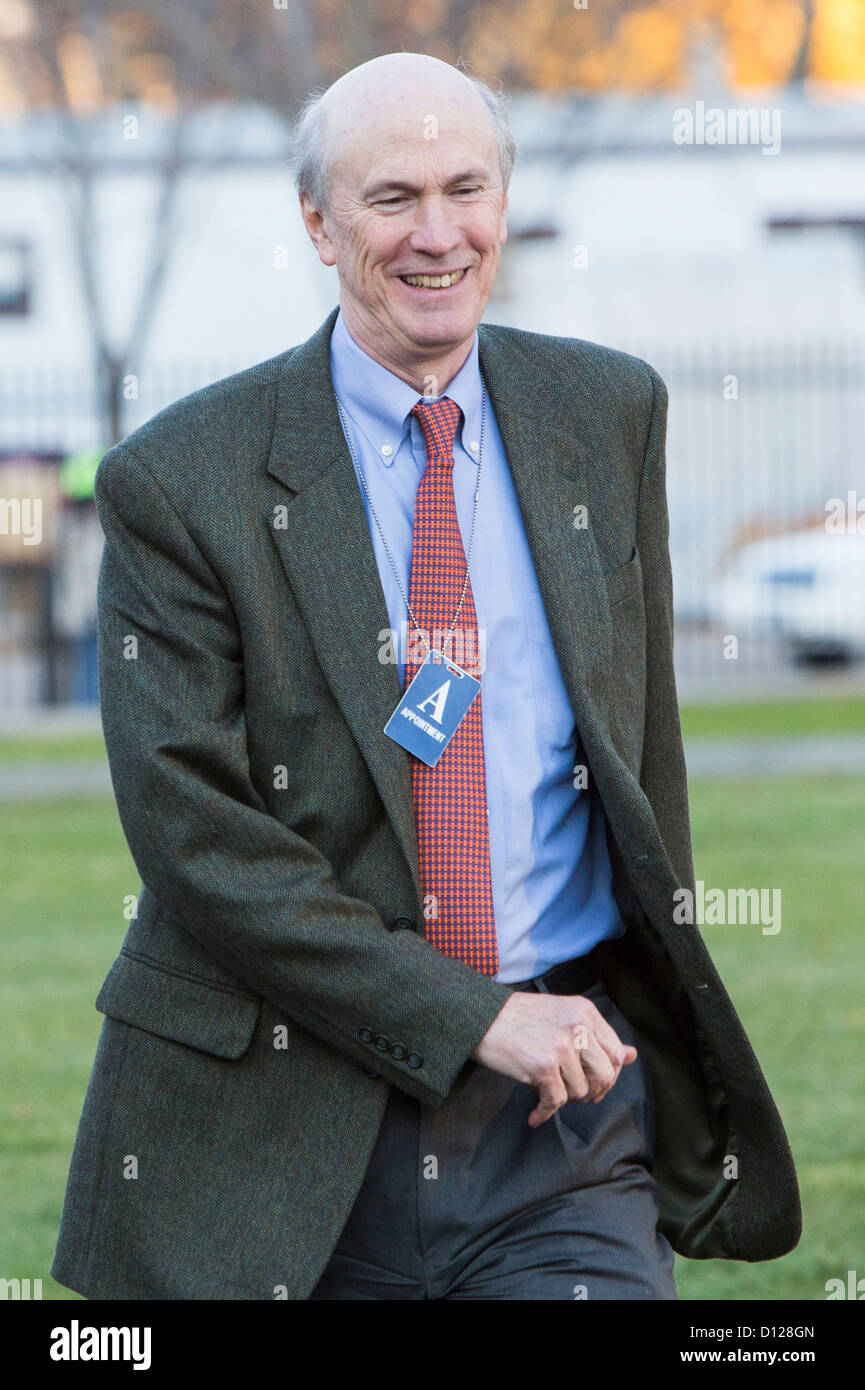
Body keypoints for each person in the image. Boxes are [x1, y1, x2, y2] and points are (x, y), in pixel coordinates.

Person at [52, 52, 800, 1301]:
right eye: (391, 197)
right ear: (318, 223)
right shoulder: (181, 483)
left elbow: (640, 752)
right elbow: (199, 840)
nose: (437, 234)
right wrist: (466, 1014)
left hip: (560, 1115)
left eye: (467, 189)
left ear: (506, 203)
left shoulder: (607, 413)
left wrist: (615, 1003)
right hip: (283, 1114)